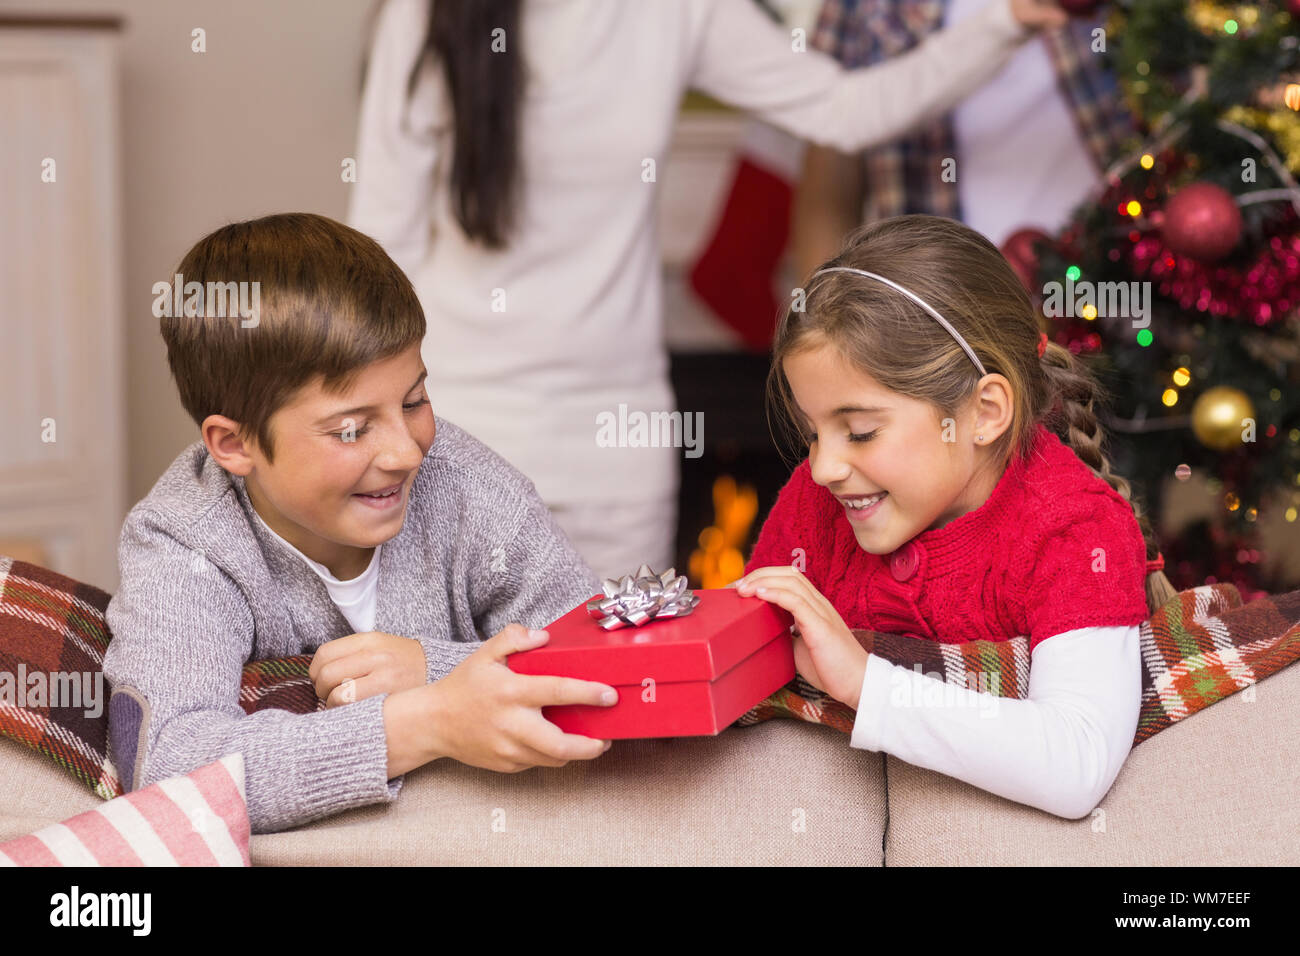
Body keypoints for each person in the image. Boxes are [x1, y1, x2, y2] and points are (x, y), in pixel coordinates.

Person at [347, 0, 1069, 581]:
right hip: (458, 439)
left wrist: (1004, 21)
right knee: (464, 718)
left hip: (617, 443)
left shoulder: (675, 11)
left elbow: (846, 110)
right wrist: (381, 431)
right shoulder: (421, 17)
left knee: (618, 723)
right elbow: (380, 249)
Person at [103, 213, 619, 834]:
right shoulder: (184, 541)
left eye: (414, 400)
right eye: (351, 428)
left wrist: (432, 667)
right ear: (234, 444)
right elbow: (169, 769)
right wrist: (425, 720)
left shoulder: (471, 489)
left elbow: (606, 661)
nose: (406, 452)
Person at [733, 214, 1178, 819]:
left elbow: (1077, 762)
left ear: (983, 412)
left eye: (859, 432)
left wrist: (866, 684)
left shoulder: (1074, 529)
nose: (822, 468)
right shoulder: (817, 507)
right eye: (813, 433)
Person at [793, 0, 1136, 276]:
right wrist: (823, 321)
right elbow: (828, 180)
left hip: (1125, 289)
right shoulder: (864, 9)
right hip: (948, 326)